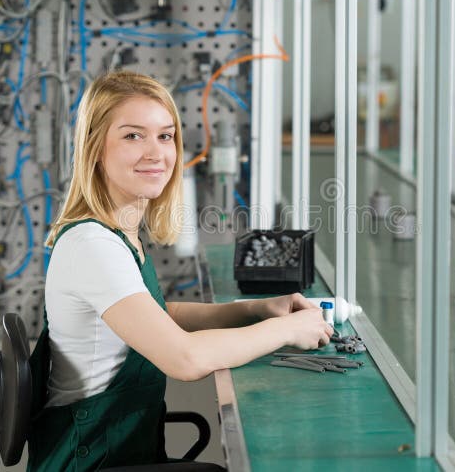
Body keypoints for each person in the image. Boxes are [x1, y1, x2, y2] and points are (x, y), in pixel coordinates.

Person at [27, 71, 333, 471]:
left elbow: (155, 317)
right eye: (133, 136)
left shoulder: (118, 233)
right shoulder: (93, 245)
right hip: (90, 461)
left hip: (114, 453)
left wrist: (255, 310)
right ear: (95, 148)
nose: (156, 153)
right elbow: (184, 360)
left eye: (165, 136)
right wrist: (289, 330)